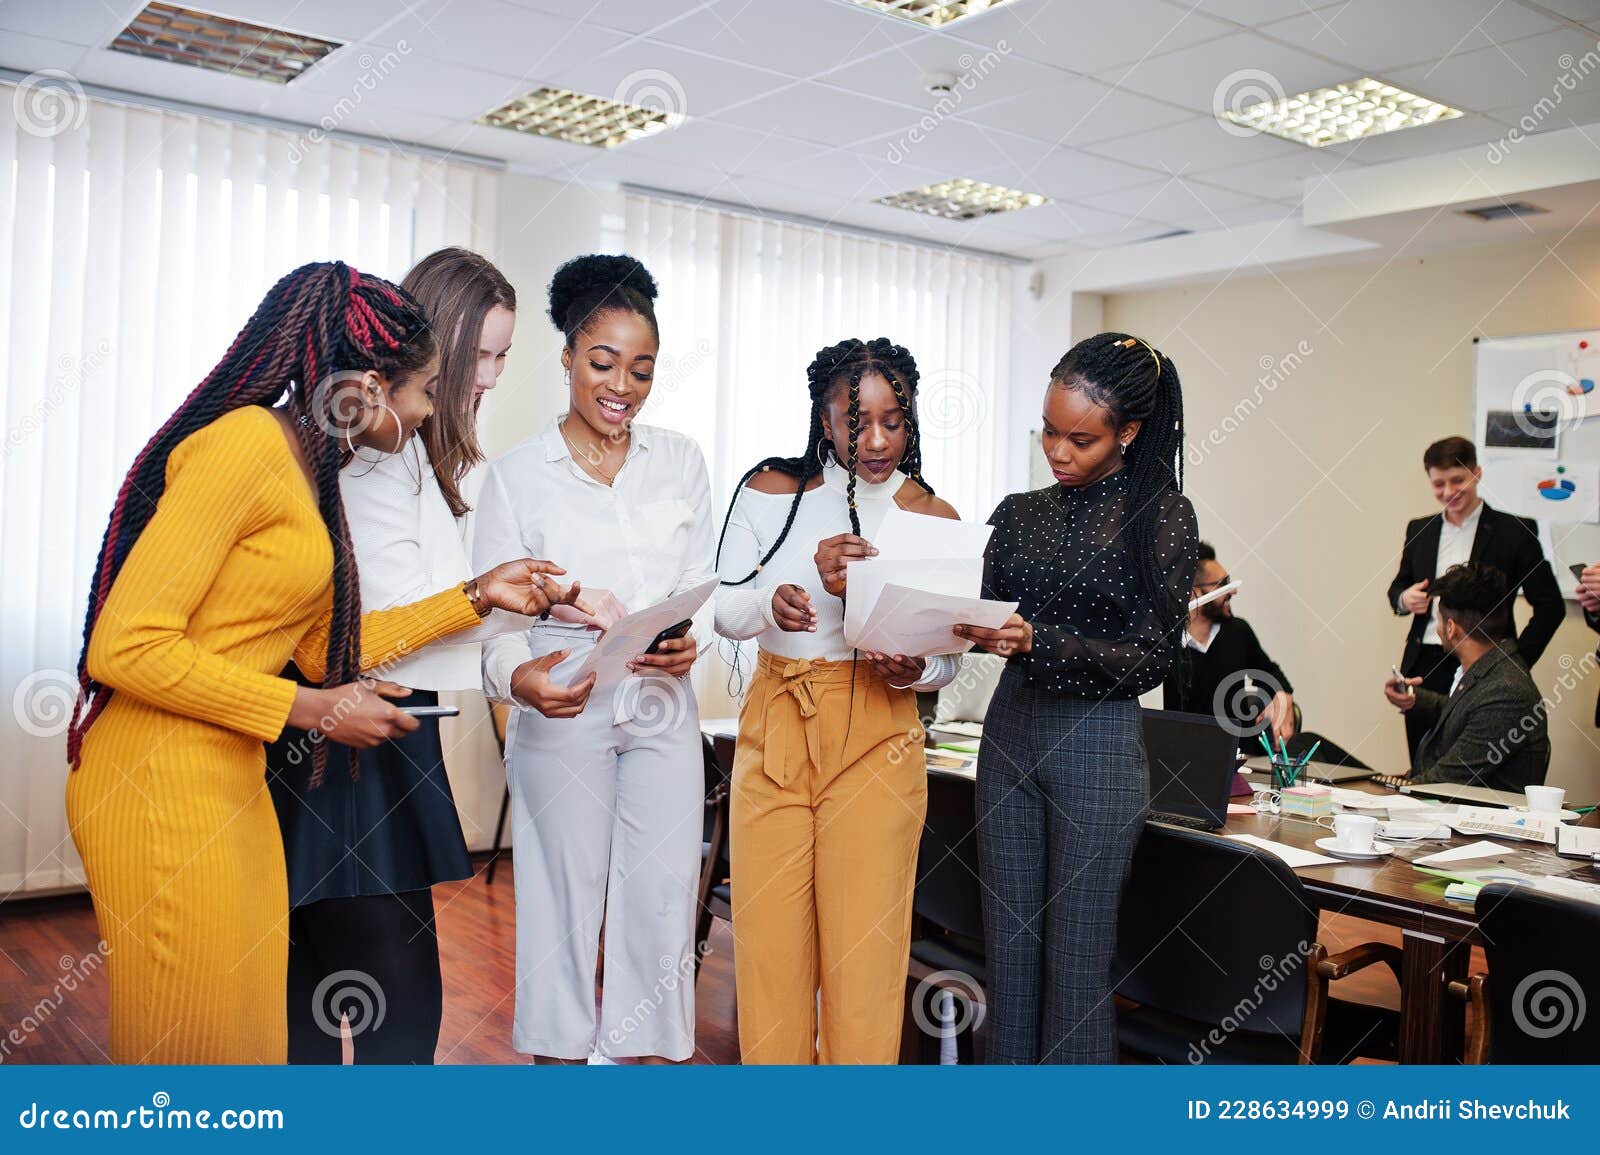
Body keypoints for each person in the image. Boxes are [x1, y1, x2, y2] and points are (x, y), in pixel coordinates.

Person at [65, 262, 576, 1064]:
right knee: (190, 1050)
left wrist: (478, 595)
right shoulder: (243, 445)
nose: (429, 408)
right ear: (370, 388)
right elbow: (125, 645)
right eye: (423, 389)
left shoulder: (308, 467)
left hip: (229, 773)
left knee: (254, 1046)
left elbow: (323, 647)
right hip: (157, 779)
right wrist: (308, 709)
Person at [266, 248, 534, 1064]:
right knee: (396, 1018)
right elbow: (373, 630)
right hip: (347, 750)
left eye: (502, 357)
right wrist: (496, 605)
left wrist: (521, 618)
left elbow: (428, 613)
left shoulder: (411, 449)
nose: (489, 378)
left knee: (328, 1010)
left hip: (379, 740)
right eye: (478, 355)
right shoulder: (372, 449)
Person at [475, 254, 716, 1064]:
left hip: (660, 704)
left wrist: (685, 638)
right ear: (569, 355)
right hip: (564, 697)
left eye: (641, 370)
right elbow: (493, 630)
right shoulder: (516, 477)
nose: (622, 386)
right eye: (604, 363)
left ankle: (642, 1070)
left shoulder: (680, 460)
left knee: (660, 904)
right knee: (562, 904)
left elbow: (695, 583)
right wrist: (520, 682)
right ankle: (558, 1069)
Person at [713, 337, 960, 1064]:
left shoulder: (932, 516)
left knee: (864, 965)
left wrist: (915, 665)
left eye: (894, 421)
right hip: (777, 726)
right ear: (824, 420)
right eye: (857, 422)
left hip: (879, 732)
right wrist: (773, 599)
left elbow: (947, 659)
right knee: (770, 954)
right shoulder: (770, 491)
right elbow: (722, 609)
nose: (877, 441)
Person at [954, 332, 1196, 1064]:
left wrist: (1041, 641)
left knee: (1077, 968)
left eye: (1080, 439)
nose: (1058, 452)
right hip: (1009, 735)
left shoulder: (1161, 514)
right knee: (1009, 959)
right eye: (1049, 431)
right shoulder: (1018, 512)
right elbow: (975, 611)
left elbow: (1155, 656)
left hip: (1098, 745)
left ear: (1128, 432)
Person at [1387, 436, 1561, 764]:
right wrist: (1404, 599)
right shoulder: (1420, 529)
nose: (1449, 492)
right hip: (1426, 663)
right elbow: (1398, 588)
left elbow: (1551, 605)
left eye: (1458, 480)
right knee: (1424, 766)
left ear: (1477, 473)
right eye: (1439, 484)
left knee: (1475, 766)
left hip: (1484, 660)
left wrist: (1515, 662)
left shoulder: (1515, 531)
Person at [1384, 562, 1549, 791]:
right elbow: (1461, 712)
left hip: (1469, 809)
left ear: (1451, 628)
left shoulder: (1506, 692)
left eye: (1439, 621)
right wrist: (1413, 697)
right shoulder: (1488, 668)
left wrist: (1386, 791)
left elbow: (1446, 780)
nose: (1438, 629)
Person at [1164, 541, 1294, 746]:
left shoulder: (1237, 631)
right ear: (1194, 593)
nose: (1232, 592)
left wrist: (1281, 695)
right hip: (1185, 755)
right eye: (1223, 584)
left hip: (1241, 755)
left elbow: (1270, 673)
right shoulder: (1166, 643)